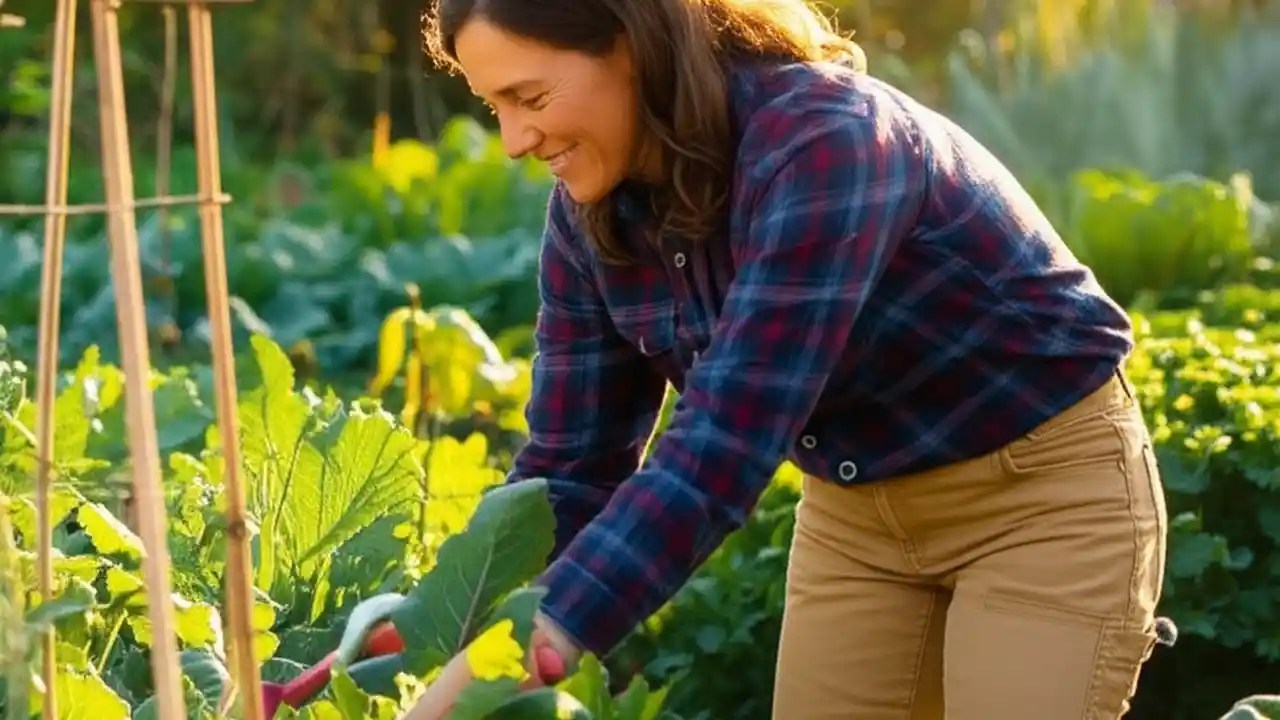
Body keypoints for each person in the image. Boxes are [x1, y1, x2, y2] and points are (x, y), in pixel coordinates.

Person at [402, 0, 1170, 718]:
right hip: (858, 520)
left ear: (630, 47)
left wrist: (548, 632)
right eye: (493, 106)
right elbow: (570, 466)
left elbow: (723, 442)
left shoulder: (827, 139)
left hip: (1039, 500)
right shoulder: (589, 217)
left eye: (529, 99)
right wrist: (453, 619)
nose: (513, 140)